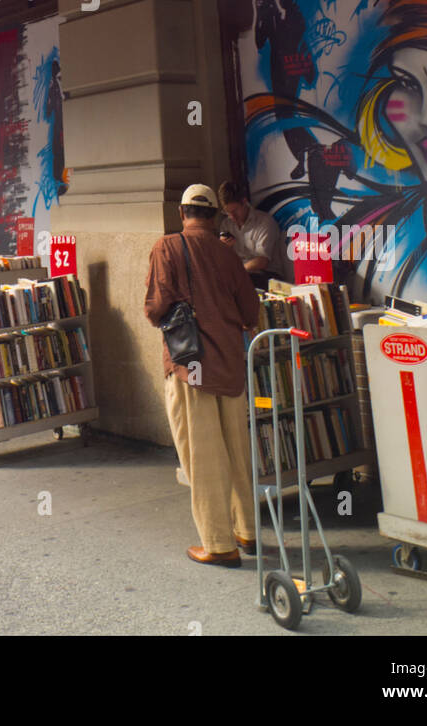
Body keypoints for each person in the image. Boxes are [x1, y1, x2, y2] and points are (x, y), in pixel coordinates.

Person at [145, 184, 261, 566]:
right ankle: (248, 532)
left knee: (203, 453)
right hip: (230, 361)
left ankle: (218, 543)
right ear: (215, 216)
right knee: (237, 451)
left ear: (182, 213)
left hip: (190, 362)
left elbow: (156, 307)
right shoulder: (229, 255)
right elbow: (249, 312)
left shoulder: (167, 247)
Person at [217, 181, 287, 285]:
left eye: (235, 211)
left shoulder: (265, 222)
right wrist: (223, 248)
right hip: (240, 275)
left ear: (244, 202)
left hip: (267, 276)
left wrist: (236, 273)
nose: (232, 216)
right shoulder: (226, 224)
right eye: (228, 212)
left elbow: (262, 262)